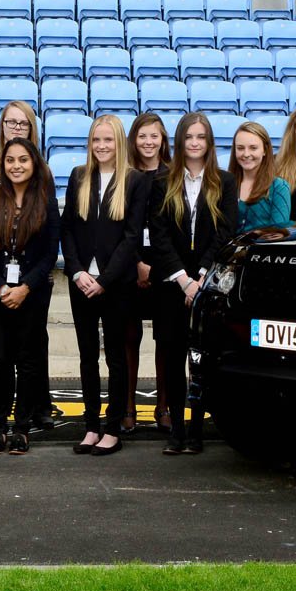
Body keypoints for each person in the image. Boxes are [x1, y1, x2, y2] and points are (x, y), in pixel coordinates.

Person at [148, 112, 238, 455]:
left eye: (201, 137)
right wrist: (182, 279)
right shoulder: (162, 182)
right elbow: (158, 236)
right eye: (189, 137)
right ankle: (177, 432)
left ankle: (197, 430)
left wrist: (201, 276)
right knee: (171, 357)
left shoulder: (225, 182)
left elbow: (225, 232)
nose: (195, 142)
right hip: (172, 284)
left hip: (208, 285)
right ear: (180, 141)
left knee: (201, 359)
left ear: (209, 142)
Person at [62, 115, 147, 457]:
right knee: (86, 358)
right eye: (96, 140)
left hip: (117, 284)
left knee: (115, 357)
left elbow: (132, 236)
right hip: (81, 282)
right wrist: (77, 272)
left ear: (120, 143)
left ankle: (113, 428)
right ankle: (91, 426)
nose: (101, 146)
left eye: (108, 140)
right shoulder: (79, 176)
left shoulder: (136, 181)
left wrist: (105, 279)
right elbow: (67, 229)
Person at [0, 100, 57, 430]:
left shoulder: (45, 197)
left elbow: (50, 250)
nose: (17, 165)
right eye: (11, 160)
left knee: (30, 357)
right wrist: (1, 286)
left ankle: (23, 425)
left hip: (32, 289)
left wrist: (25, 287)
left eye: (23, 160)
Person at [125, 112, 172, 435]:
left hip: (166, 267)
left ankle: (164, 406)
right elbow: (119, 227)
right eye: (142, 136)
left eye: (153, 136)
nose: (148, 142)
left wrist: (157, 264)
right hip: (129, 266)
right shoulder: (125, 176)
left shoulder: (173, 176)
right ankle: (127, 407)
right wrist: (138, 262)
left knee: (166, 341)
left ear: (163, 140)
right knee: (128, 338)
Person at [230, 121, 291, 233]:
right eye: (240, 148)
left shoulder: (279, 187)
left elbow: (277, 233)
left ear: (265, 151)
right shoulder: (226, 184)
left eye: (253, 148)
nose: (246, 154)